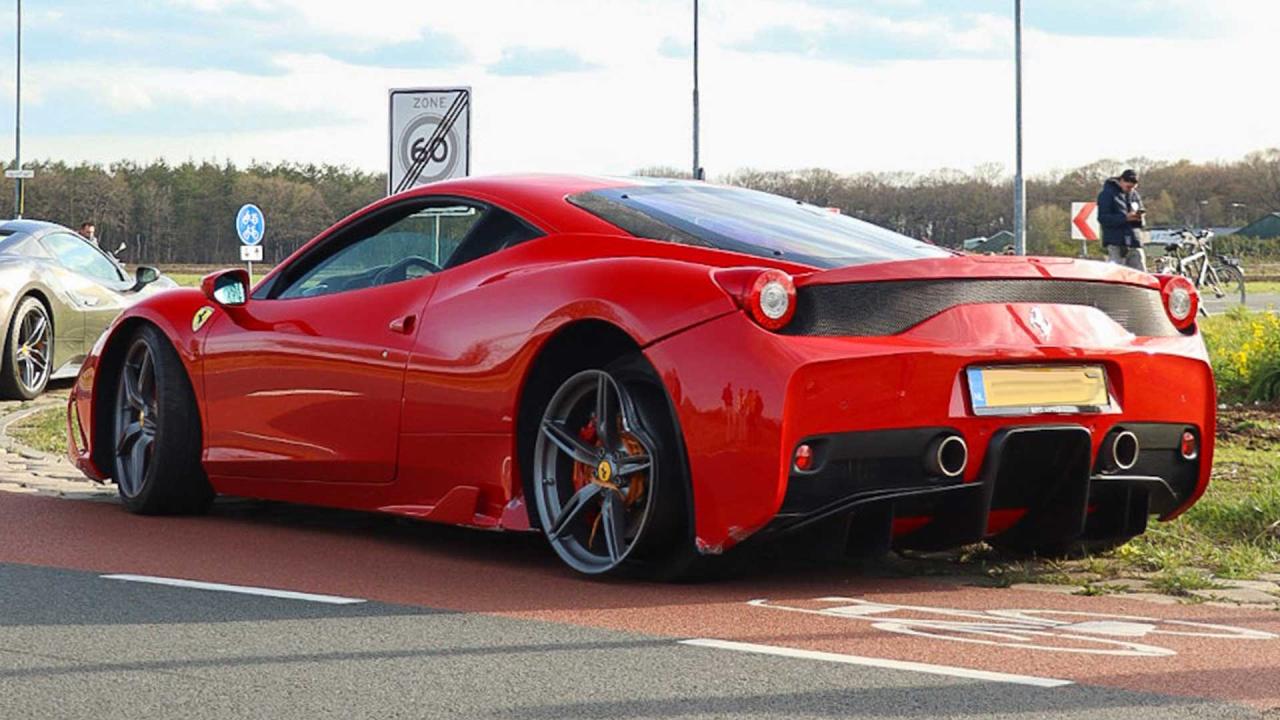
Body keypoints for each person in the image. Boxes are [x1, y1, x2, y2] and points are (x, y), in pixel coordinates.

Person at [1097, 169, 1146, 271]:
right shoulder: (1107, 194)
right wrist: (1125, 218)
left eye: (1133, 188)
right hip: (1116, 241)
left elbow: (1142, 220)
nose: (1130, 190)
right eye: (1128, 187)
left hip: (1134, 241)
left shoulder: (1134, 195)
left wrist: (1139, 218)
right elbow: (1103, 218)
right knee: (1117, 274)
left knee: (1141, 274)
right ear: (1122, 181)